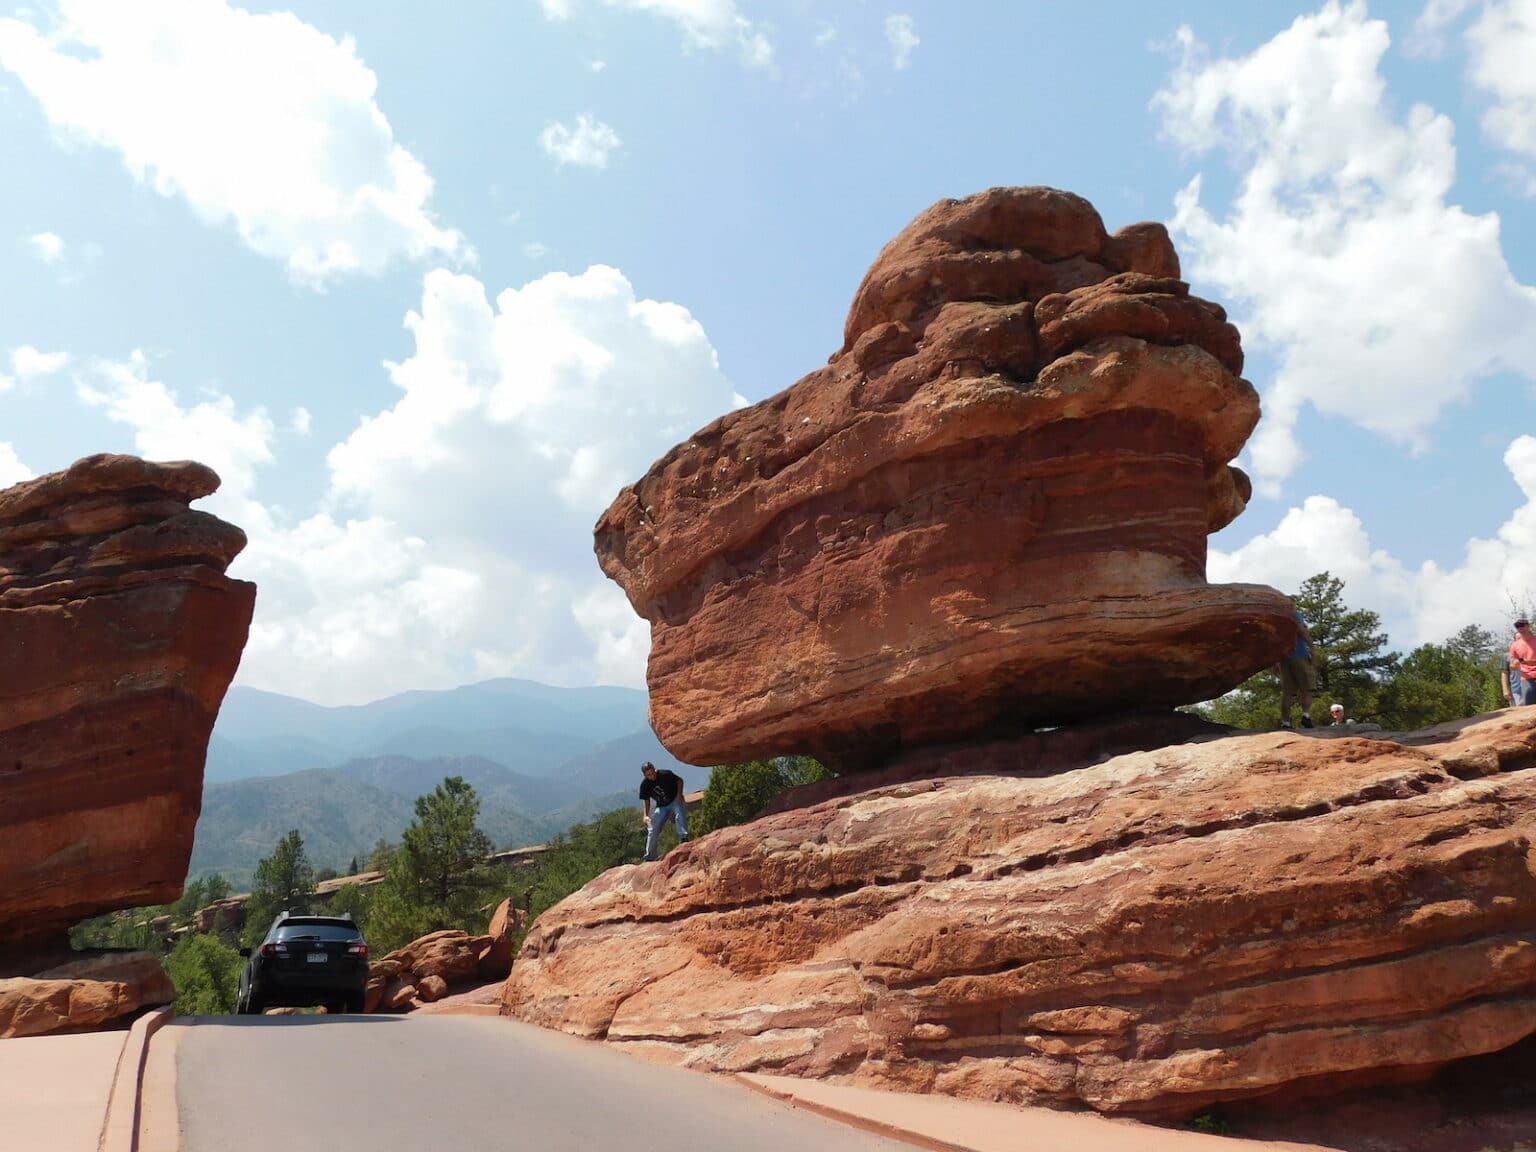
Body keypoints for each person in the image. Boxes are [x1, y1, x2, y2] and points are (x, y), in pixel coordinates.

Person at [638, 761, 689, 862]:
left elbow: (679, 781)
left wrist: (679, 795)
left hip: (674, 800)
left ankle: (684, 838)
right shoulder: (645, 785)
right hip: (662, 806)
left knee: (679, 814)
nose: (652, 776)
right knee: (653, 827)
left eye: (652, 772)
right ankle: (650, 856)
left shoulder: (665, 774)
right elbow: (646, 801)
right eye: (649, 774)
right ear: (645, 775)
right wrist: (645, 815)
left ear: (655, 769)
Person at [1277, 612, 1317, 729]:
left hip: (1283, 658)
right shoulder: (1293, 613)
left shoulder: (1277, 616)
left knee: (1287, 692)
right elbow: (1301, 630)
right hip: (1300, 655)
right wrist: (1312, 647)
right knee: (1307, 688)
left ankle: (1286, 722)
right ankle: (1306, 716)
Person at [1509, 619, 1536, 707]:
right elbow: (1512, 664)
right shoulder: (1514, 645)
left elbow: (1527, 661)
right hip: (1527, 679)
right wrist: (1514, 665)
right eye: (1517, 626)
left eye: (1522, 625)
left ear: (1528, 626)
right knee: (1529, 707)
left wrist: (1529, 662)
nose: (1520, 628)